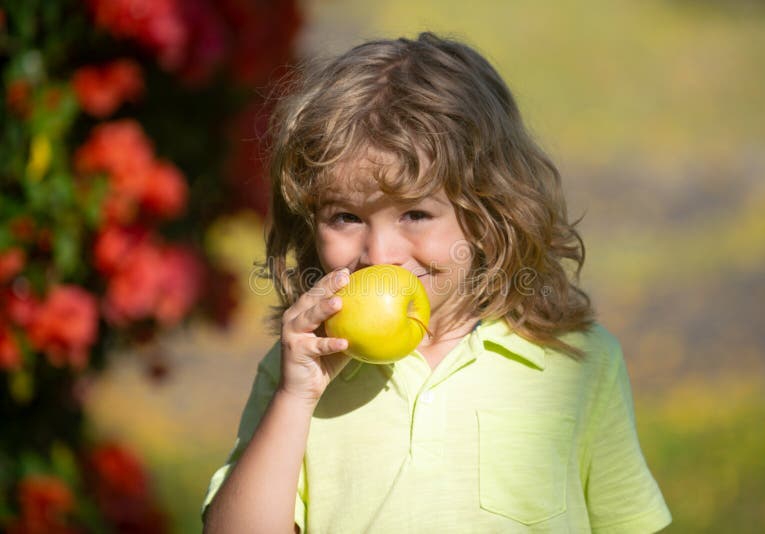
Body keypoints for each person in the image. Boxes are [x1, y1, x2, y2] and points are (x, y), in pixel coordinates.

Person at [202, 32, 671, 533]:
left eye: (416, 214)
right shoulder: (300, 373)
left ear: (489, 214)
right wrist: (296, 399)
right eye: (344, 217)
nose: (380, 255)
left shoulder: (576, 362)